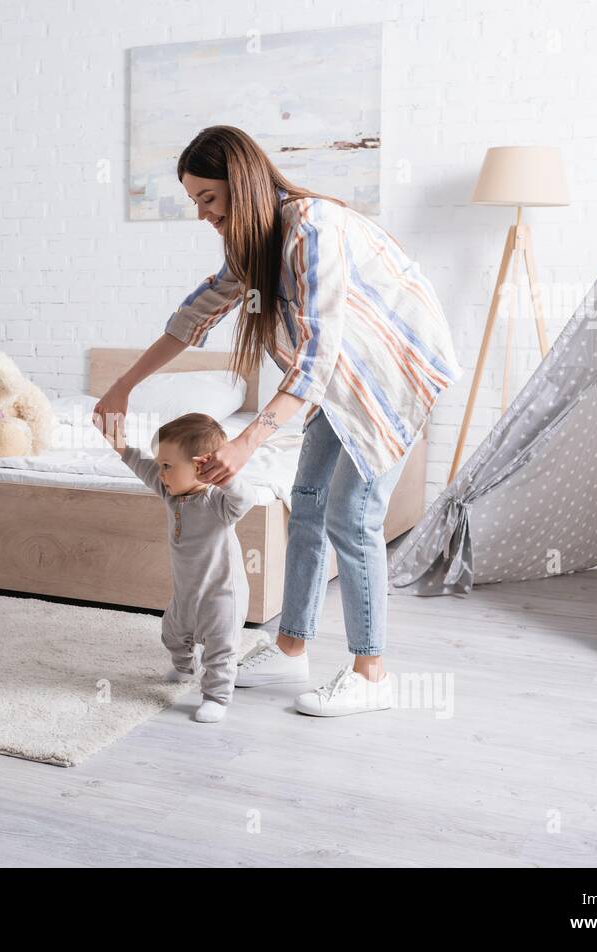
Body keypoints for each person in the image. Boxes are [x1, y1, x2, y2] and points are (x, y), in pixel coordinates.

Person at [94, 125, 462, 718]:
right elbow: (197, 313)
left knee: (352, 515)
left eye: (207, 198)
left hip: (392, 371)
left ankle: (372, 673)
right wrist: (124, 384)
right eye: (194, 201)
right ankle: (292, 645)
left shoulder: (312, 228)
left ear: (240, 185)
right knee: (308, 499)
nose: (201, 214)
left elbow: (316, 354)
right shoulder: (257, 245)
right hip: (335, 380)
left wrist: (247, 440)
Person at [106, 413, 257, 723]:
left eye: (167, 466)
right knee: (173, 633)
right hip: (186, 592)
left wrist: (225, 478)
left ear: (201, 467)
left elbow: (246, 498)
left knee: (220, 650)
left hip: (221, 596)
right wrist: (117, 443)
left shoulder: (219, 503)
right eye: (160, 464)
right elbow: (141, 466)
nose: (160, 473)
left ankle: (216, 696)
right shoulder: (171, 494)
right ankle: (185, 666)